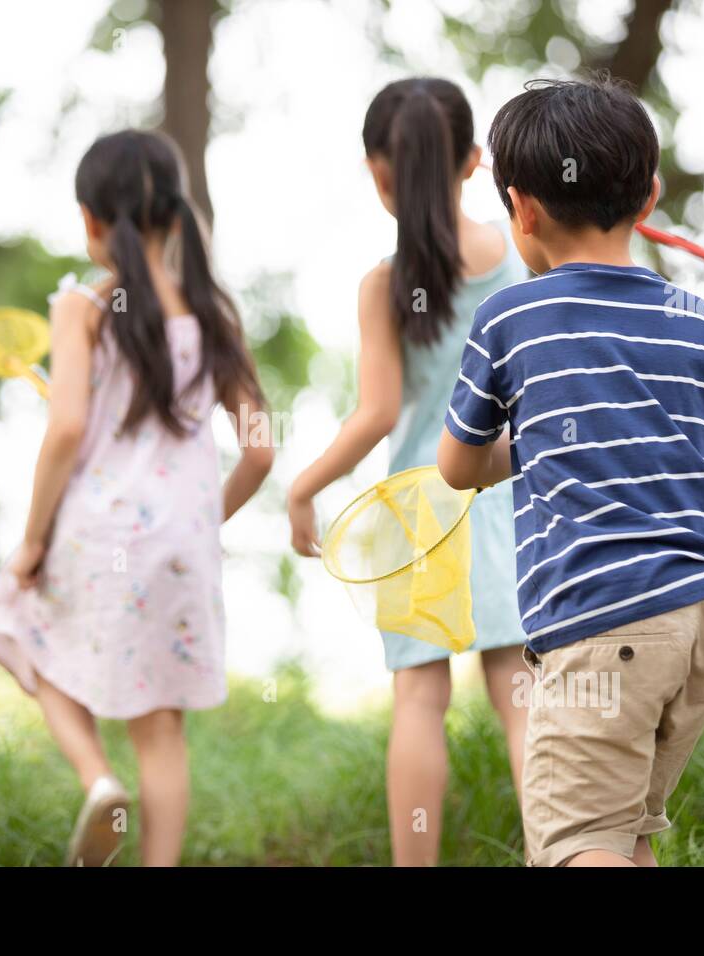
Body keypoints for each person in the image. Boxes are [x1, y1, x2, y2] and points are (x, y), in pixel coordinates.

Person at [439, 75, 704, 867]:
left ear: (522, 209)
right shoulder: (701, 323)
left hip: (603, 624)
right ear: (649, 197)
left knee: (579, 840)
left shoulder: (511, 317)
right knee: (620, 832)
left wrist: (525, 446)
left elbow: (457, 465)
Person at [0, 130, 273, 867]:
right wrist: (203, 521)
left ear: (91, 222)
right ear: (174, 216)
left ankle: (98, 780)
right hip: (180, 549)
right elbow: (262, 447)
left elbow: (66, 427)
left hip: (93, 533)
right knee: (160, 726)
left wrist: (33, 541)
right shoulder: (216, 319)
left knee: (16, 620)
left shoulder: (81, 306)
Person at [288, 78, 531, 867]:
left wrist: (303, 486)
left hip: (419, 511)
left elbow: (377, 415)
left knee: (420, 702)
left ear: (376, 171)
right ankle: (564, 855)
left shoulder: (383, 286)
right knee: (523, 699)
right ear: (474, 162)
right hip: (507, 492)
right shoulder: (522, 252)